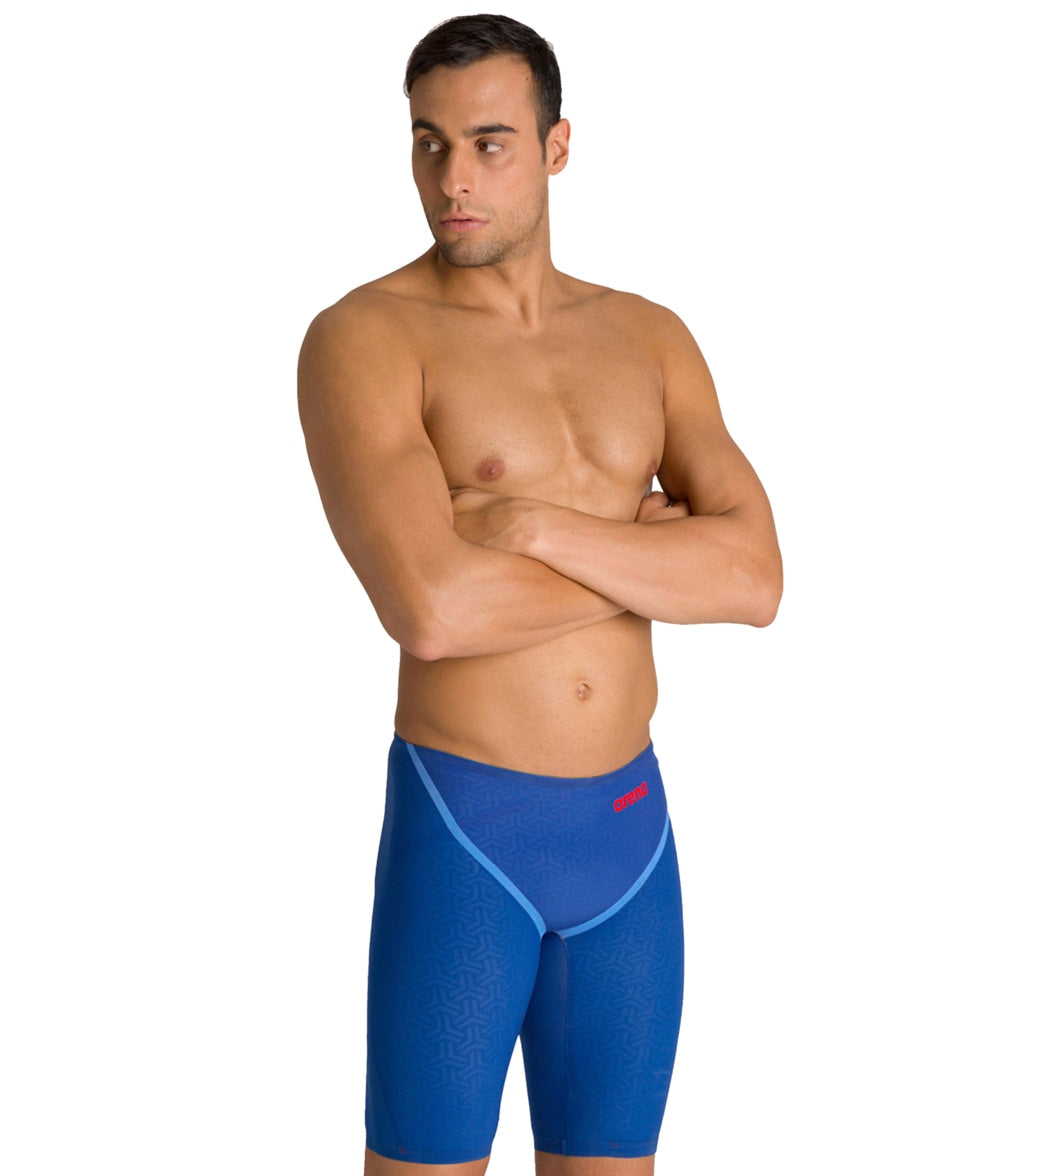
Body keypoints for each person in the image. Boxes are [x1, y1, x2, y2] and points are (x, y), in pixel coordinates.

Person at [298, 14, 782, 1176]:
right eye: (429, 142)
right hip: (467, 836)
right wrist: (649, 558)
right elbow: (432, 611)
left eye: (489, 143)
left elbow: (756, 578)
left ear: (559, 147)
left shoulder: (649, 337)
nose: (452, 179)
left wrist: (540, 528)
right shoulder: (365, 339)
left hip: (630, 840)